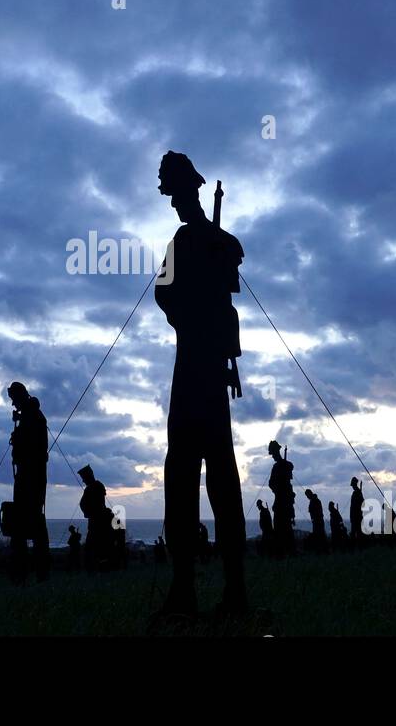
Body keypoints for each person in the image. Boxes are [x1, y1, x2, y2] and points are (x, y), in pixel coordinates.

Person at [153, 151, 248, 617]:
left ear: (188, 191)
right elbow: (163, 294)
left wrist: (214, 247)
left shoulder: (211, 240)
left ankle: (232, 591)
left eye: (175, 194)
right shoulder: (184, 240)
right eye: (171, 195)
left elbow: (233, 268)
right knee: (183, 475)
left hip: (204, 366)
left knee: (217, 477)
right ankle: (185, 591)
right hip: (192, 359)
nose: (174, 203)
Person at [7, 381, 50, 583]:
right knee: (26, 521)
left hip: (31, 475)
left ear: (21, 396)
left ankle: (31, 572)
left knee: (30, 521)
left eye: (14, 399)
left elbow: (31, 446)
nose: (13, 404)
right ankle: (26, 572)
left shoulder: (33, 416)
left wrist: (18, 438)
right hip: (28, 474)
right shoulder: (30, 415)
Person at [78, 465, 112, 572]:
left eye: (84, 478)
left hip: (97, 522)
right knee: (98, 548)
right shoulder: (97, 486)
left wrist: (89, 512)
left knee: (94, 548)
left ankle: (96, 570)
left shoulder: (94, 487)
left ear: (88, 476)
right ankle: (99, 569)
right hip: (98, 521)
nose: (83, 481)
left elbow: (85, 504)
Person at [268, 441, 296, 556]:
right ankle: (283, 550)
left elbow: (290, 469)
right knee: (282, 526)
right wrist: (277, 490)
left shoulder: (282, 465)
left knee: (283, 526)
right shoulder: (280, 466)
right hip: (282, 499)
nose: (273, 456)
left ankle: (285, 550)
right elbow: (271, 484)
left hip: (284, 501)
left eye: (273, 454)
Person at [349, 478, 366, 547]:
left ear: (355, 484)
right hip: (354, 516)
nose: (352, 486)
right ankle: (356, 547)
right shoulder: (356, 492)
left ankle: (359, 547)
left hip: (357, 516)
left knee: (358, 533)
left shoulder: (358, 492)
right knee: (355, 533)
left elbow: (363, 504)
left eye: (353, 485)